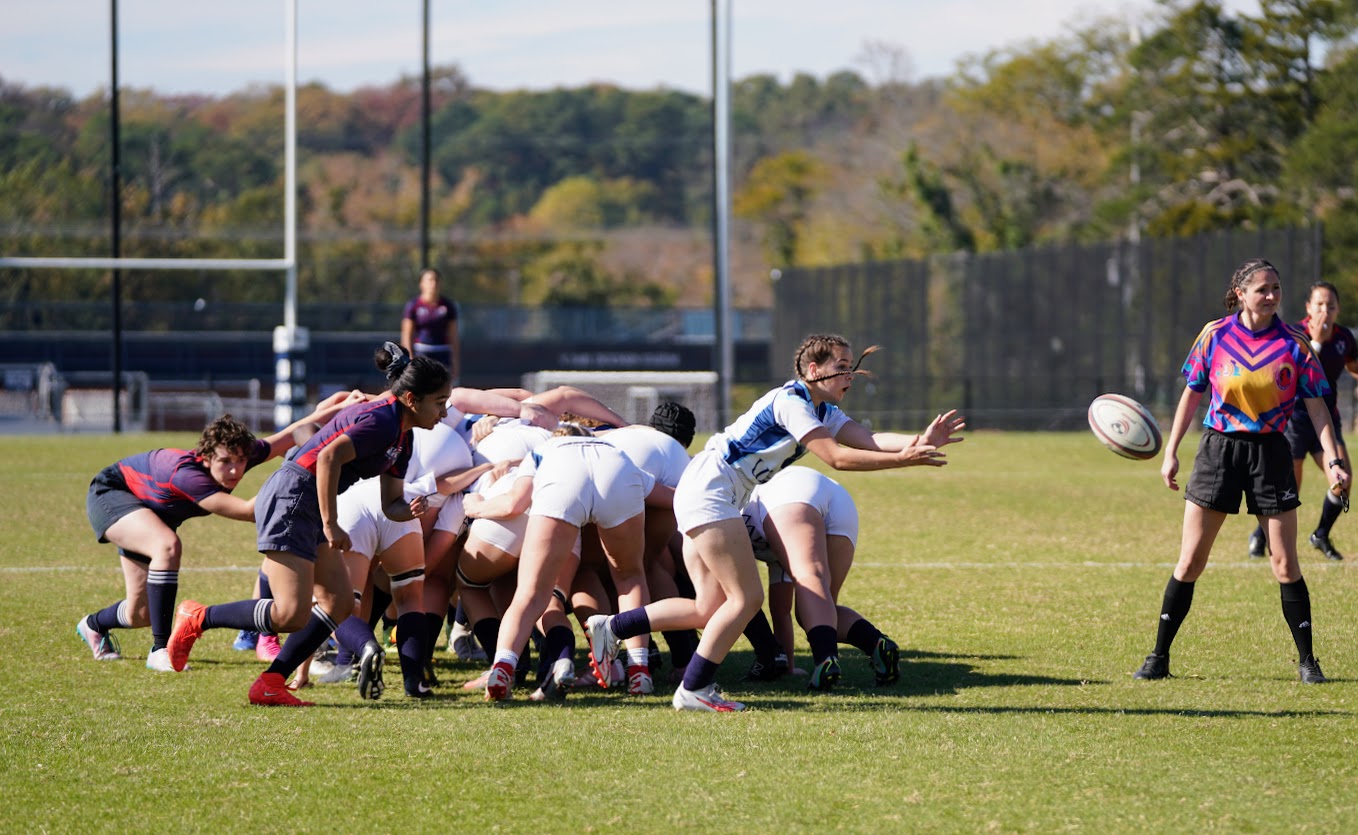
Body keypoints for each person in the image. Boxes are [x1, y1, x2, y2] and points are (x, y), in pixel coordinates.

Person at [586, 333, 965, 712]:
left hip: (706, 490)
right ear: (813, 369)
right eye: (841, 367)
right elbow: (836, 458)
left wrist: (921, 441)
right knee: (746, 598)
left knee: (709, 607)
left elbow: (867, 437)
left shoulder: (820, 409)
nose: (850, 376)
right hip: (710, 490)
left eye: (851, 368)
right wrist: (903, 460)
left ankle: (613, 627)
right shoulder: (791, 402)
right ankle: (694, 689)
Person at [166, 343, 451, 706]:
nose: (444, 412)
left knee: (339, 603)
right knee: (290, 613)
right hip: (294, 494)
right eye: (439, 402)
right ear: (412, 399)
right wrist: (331, 524)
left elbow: (390, 503)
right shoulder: (382, 420)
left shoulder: (402, 438)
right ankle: (199, 616)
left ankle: (271, 682)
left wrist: (409, 509)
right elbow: (329, 457)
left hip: (308, 500)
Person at [1133, 258, 1349, 685]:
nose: (1271, 296)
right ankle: (1158, 657)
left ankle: (1308, 662)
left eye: (1276, 288)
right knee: (1191, 560)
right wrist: (1170, 451)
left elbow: (1318, 408)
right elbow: (1191, 395)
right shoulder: (1214, 335)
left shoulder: (1295, 345)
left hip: (1271, 453)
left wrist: (1334, 461)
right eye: (1262, 289)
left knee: (1285, 564)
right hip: (1218, 451)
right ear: (1241, 293)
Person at [75, 391, 362, 672]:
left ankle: (93, 625)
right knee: (166, 545)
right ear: (206, 457)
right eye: (225, 462)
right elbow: (249, 511)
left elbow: (290, 434)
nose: (235, 470)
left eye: (241, 461)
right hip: (112, 494)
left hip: (152, 511)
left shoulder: (238, 455)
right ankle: (160, 650)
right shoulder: (188, 476)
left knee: (141, 613)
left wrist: (336, 411)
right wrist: (296, 485)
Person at [743, 466, 900, 688]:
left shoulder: (727, 517)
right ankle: (876, 643)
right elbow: (781, 609)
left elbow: (779, 610)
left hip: (787, 495)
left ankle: (825, 660)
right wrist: (788, 666)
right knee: (822, 608)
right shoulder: (770, 545)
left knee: (811, 586)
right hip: (837, 499)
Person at [1247, 280, 1358, 561]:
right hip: (1294, 421)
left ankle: (1321, 534)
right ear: (1309, 308)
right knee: (1289, 488)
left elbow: (1353, 366)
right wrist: (1316, 342)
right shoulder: (1294, 335)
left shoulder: (1344, 337)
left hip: (1326, 422)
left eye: (1331, 306)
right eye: (1319, 304)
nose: (1325, 311)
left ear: (1338, 309)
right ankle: (1260, 535)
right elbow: (1298, 373)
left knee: (1343, 480)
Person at [401, 267, 460, 384]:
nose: (433, 283)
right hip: (421, 353)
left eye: (436, 280)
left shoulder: (448, 306)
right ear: (421, 284)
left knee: (443, 387)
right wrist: (409, 360)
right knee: (422, 387)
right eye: (430, 280)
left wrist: (455, 362)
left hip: (443, 354)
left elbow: (453, 336)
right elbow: (406, 335)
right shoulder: (413, 306)